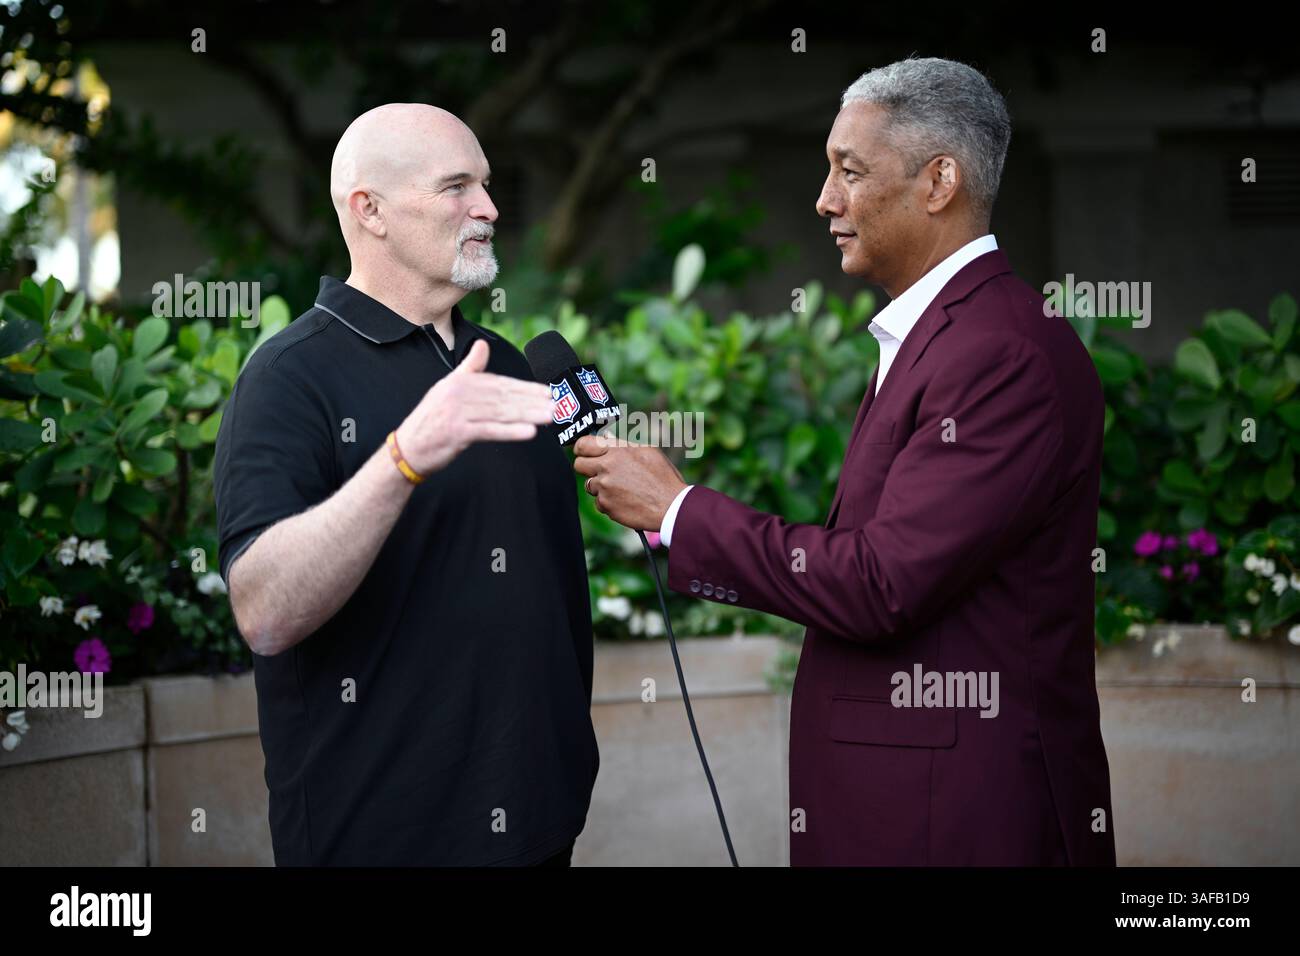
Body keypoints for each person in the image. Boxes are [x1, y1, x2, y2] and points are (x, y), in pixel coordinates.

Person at [573, 58, 1116, 866]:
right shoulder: (947, 332)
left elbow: (881, 584)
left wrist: (678, 511)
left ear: (939, 182)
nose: (826, 201)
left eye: (849, 171)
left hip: (959, 818)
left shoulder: (1000, 351)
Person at [214, 104, 598, 866]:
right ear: (371, 210)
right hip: (383, 838)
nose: (488, 207)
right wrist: (405, 456)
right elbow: (263, 610)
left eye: (487, 184)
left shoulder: (511, 364)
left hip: (542, 825)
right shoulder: (289, 379)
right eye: (457, 186)